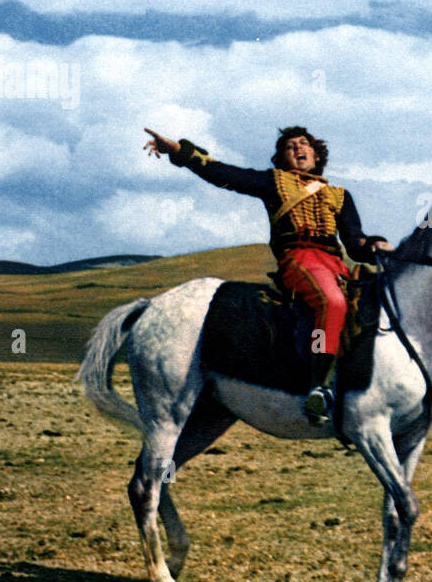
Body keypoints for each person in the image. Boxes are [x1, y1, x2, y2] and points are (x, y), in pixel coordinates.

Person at [144, 124, 390, 425]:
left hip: (336, 265)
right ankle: (319, 388)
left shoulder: (340, 195)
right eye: (290, 146)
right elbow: (224, 174)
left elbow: (355, 243)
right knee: (333, 303)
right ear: (282, 157)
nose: (298, 149)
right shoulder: (274, 182)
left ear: (315, 153)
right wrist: (181, 152)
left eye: (304, 144)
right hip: (300, 259)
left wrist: (374, 244)